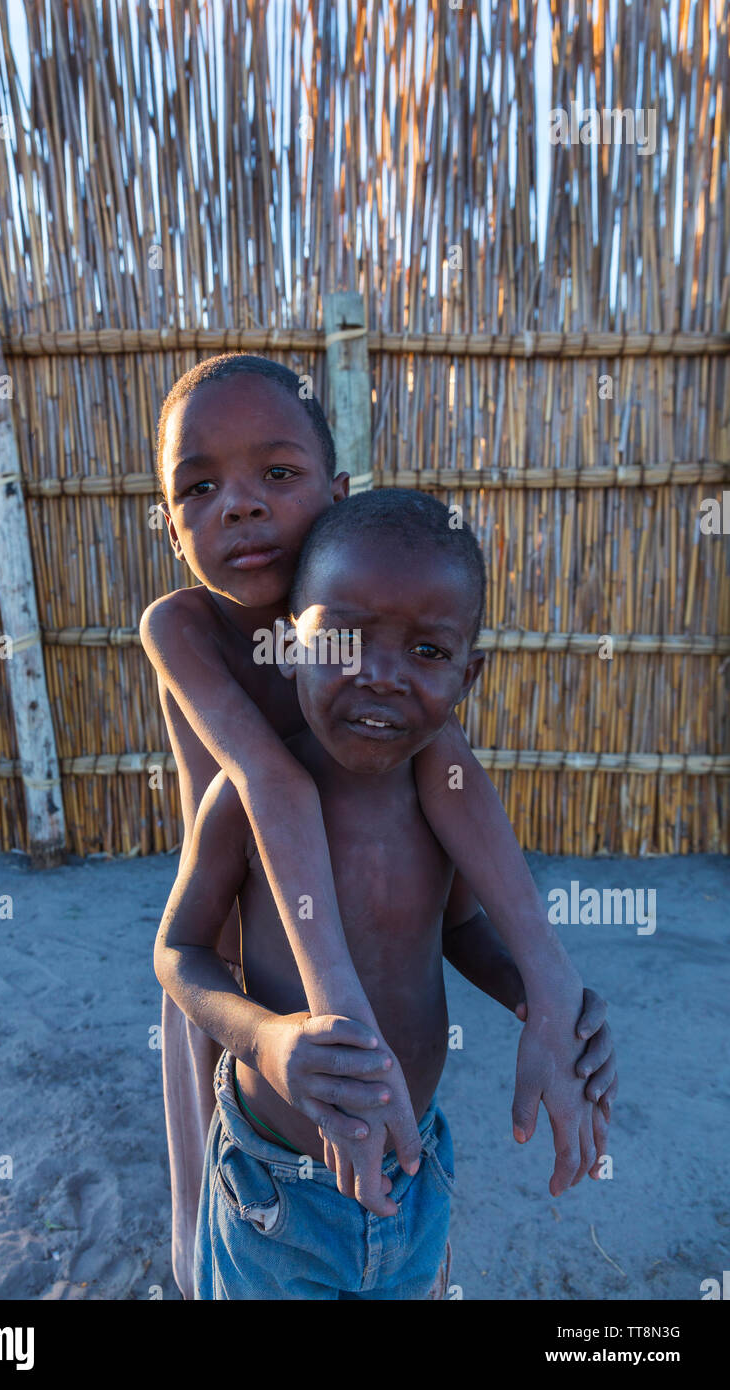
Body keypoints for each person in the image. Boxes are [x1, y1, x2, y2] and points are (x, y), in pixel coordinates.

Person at [140, 356, 617, 1298]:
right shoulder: (183, 625)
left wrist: (546, 985)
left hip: (355, 1037)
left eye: (276, 474)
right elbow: (272, 780)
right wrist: (336, 1011)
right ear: (169, 520)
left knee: (396, 1230)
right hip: (243, 979)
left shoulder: (379, 622)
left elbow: (451, 772)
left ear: (334, 490)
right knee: (213, 1220)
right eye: (200, 486)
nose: (239, 505)